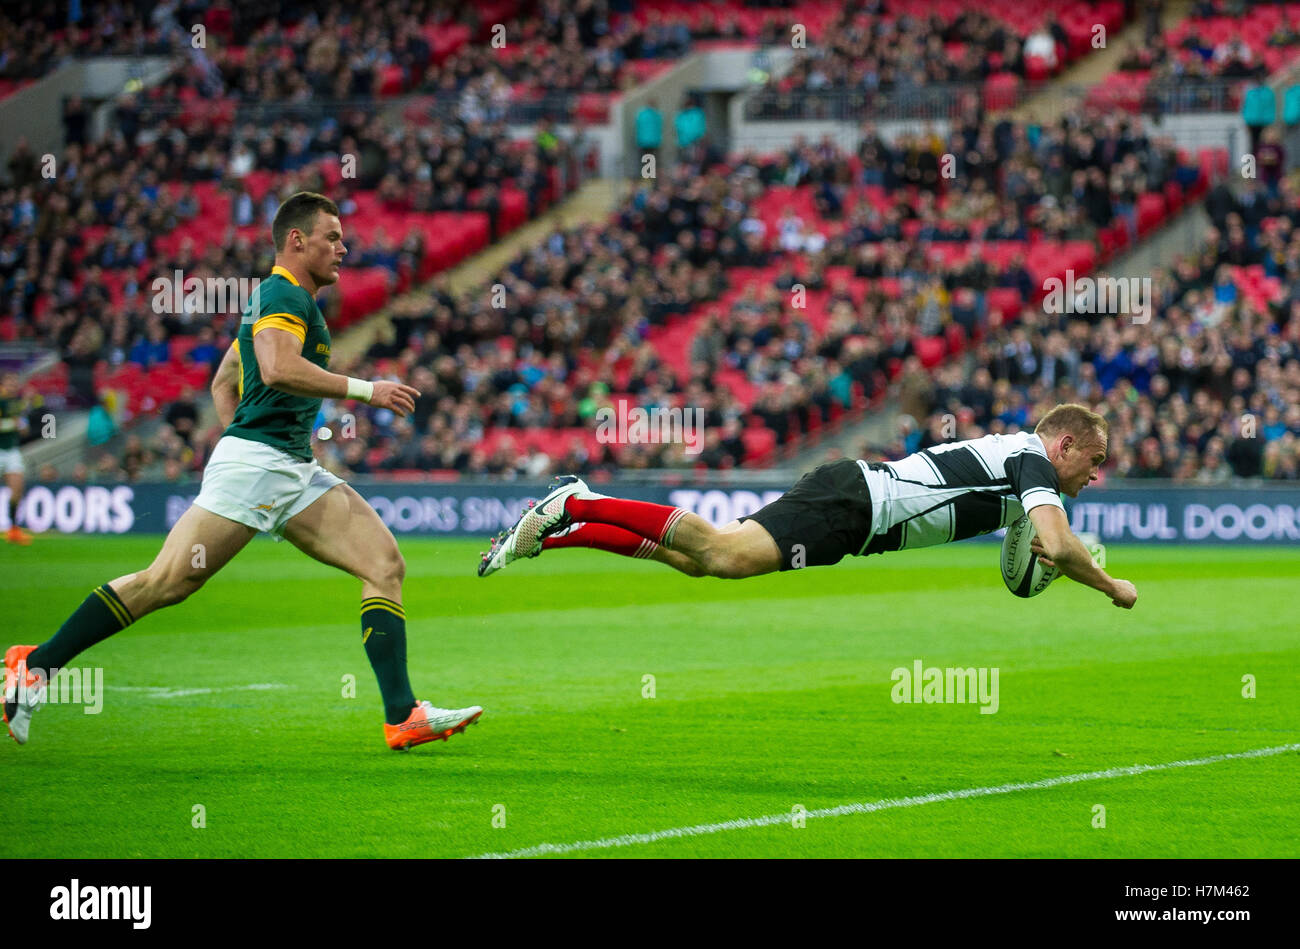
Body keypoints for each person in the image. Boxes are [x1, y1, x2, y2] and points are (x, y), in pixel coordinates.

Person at [4, 193, 482, 749]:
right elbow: (276, 369)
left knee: (383, 564)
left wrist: (250, 439)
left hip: (289, 468)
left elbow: (225, 378)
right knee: (167, 583)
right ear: (296, 240)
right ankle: (33, 665)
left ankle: (403, 715)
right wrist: (363, 391)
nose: (343, 247)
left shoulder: (284, 301)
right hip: (260, 465)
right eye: (332, 236)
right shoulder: (281, 293)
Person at [479, 403, 1138, 610]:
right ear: (1066, 442)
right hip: (854, 503)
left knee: (704, 564)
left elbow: (1033, 550)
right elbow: (1054, 546)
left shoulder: (1024, 472)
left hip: (852, 512)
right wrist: (1112, 585)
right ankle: (581, 497)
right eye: (1093, 461)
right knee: (719, 551)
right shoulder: (1030, 459)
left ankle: (561, 529)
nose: (1096, 475)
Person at [0, 372, 32, 545]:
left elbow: (23, 429)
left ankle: (13, 529)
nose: (13, 385)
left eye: (14, 382)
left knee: (17, 489)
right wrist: (13, 424)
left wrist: (21, 424)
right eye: (9, 381)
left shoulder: (16, 404)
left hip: (12, 450)